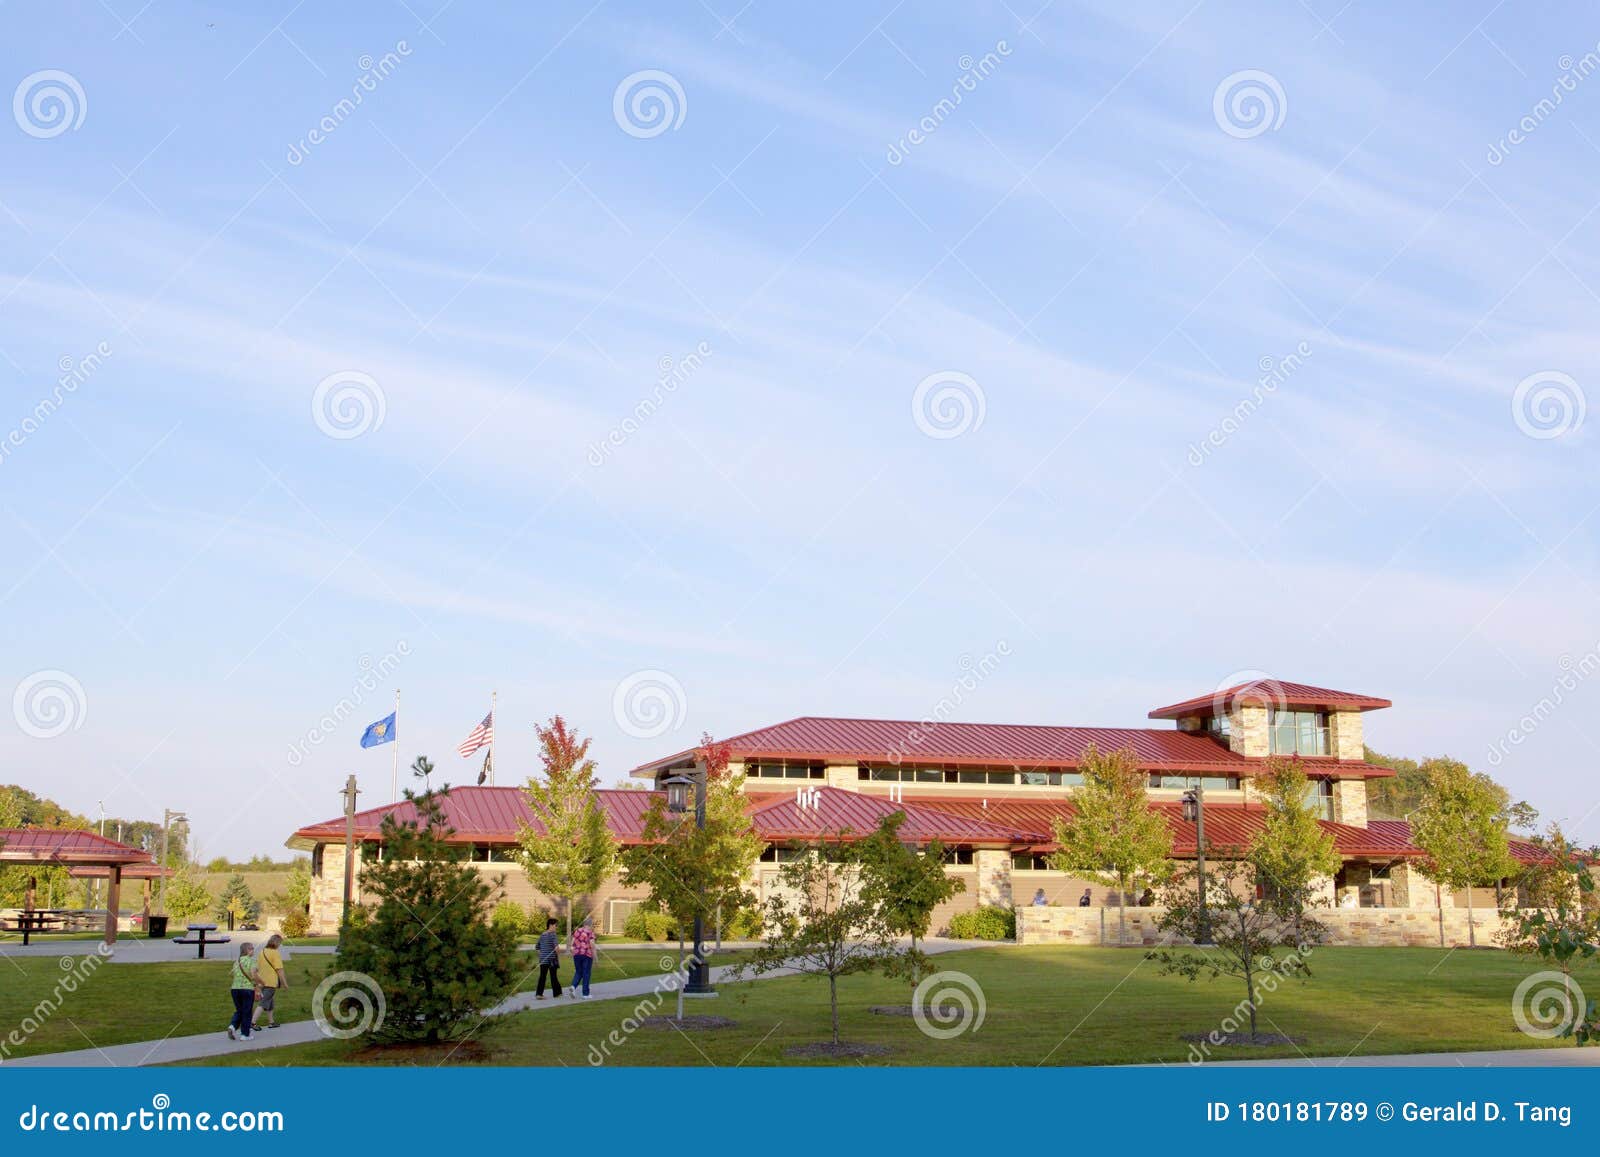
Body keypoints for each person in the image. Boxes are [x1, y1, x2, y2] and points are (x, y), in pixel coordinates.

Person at [252, 933, 289, 1030]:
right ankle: (252, 1022)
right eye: (280, 943)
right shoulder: (275, 953)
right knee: (264, 1003)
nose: (280, 945)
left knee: (270, 1002)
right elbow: (279, 970)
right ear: (277, 943)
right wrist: (285, 984)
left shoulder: (262, 951)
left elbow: (257, 967)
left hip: (261, 981)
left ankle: (271, 1022)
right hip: (270, 982)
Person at [227, 942, 257, 1041]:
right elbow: (253, 975)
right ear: (247, 951)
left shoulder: (237, 961)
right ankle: (245, 1034)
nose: (253, 950)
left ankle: (233, 1026)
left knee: (239, 1010)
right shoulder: (251, 961)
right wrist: (260, 982)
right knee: (247, 1012)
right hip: (247, 989)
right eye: (251, 948)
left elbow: (231, 974)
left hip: (235, 989)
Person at [569, 916, 596, 999]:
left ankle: (573, 986)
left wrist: (573, 951)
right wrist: (595, 958)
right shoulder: (590, 933)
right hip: (587, 955)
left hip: (576, 954)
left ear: (584, 924)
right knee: (586, 974)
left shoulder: (577, 931)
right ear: (590, 924)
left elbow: (572, 943)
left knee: (578, 972)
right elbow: (592, 945)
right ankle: (585, 994)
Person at [534, 917, 562, 999]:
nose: (556, 927)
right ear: (551, 925)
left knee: (542, 976)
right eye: (556, 925)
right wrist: (559, 953)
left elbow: (537, 947)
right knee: (553, 976)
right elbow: (556, 948)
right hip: (551, 960)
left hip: (543, 959)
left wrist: (541, 955)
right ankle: (557, 994)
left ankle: (539, 994)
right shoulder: (553, 934)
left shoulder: (543, 934)